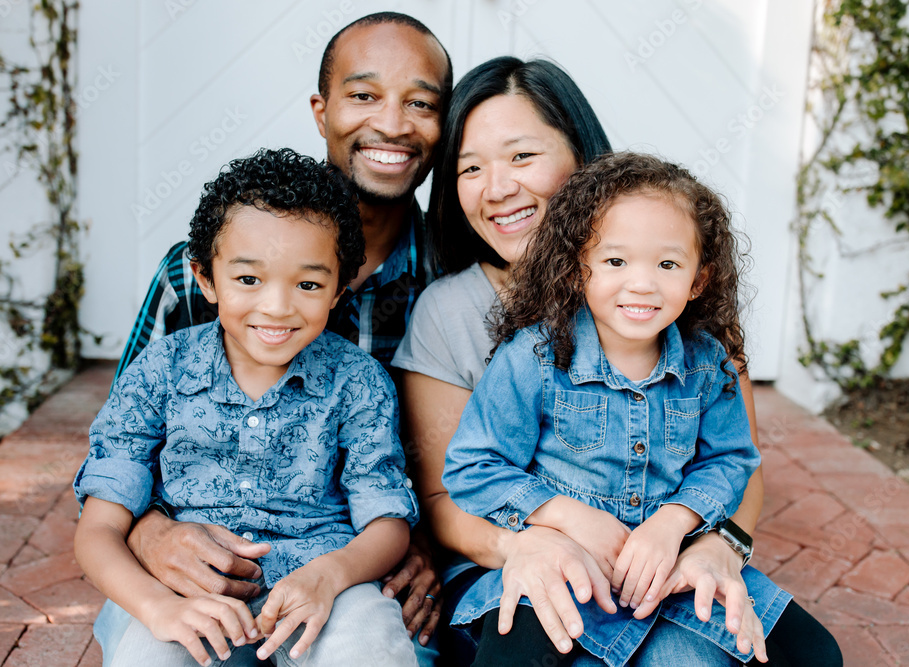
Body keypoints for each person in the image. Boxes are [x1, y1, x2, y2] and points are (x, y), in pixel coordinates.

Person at [392, 57, 842, 666]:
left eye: (522, 157)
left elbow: (737, 463)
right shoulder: (475, 325)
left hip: (662, 561)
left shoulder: (687, 323)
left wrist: (715, 547)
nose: (496, 188)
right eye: (471, 168)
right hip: (528, 563)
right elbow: (457, 486)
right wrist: (539, 539)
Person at [99, 13, 452, 666]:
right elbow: (118, 452)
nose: (394, 124)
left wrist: (415, 544)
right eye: (365, 94)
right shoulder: (191, 272)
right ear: (322, 111)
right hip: (194, 572)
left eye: (421, 103)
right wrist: (150, 535)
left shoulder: (454, 282)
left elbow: (474, 460)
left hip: (347, 568)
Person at [74, 148, 419, 667]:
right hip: (181, 587)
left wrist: (332, 575)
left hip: (320, 582)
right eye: (248, 279)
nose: (277, 307)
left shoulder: (358, 382)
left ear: (337, 288)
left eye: (307, 284)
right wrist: (158, 608)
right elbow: (98, 530)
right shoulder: (161, 370)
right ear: (206, 278)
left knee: (370, 647)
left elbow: (386, 520)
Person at [443, 150, 771, 665]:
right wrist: (570, 519)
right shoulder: (535, 357)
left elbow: (731, 460)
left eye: (667, 264)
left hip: (667, 567)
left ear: (699, 279)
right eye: (616, 261)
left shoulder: (708, 362)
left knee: (816, 651)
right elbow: (471, 466)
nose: (642, 284)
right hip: (560, 562)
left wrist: (673, 522)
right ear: (579, 270)